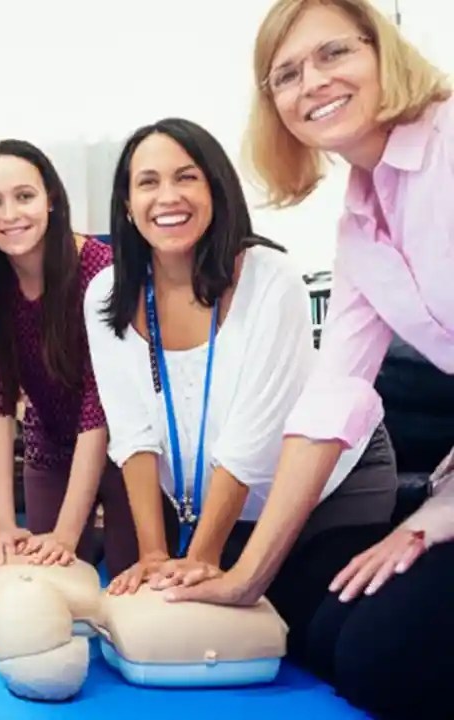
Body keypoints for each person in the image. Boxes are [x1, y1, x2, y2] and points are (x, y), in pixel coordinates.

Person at [166, 2, 452, 717]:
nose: (311, 83)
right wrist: (242, 577)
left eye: (332, 54)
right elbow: (331, 400)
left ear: (383, 50)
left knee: (383, 660)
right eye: (285, 74)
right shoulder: (359, 221)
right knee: (315, 627)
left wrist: (438, 519)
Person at [82, 117, 398, 660]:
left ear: (216, 190)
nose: (168, 197)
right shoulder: (106, 294)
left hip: (329, 489)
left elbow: (250, 442)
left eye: (187, 177)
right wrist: (157, 554)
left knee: (310, 638)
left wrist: (201, 558)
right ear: (127, 205)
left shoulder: (269, 279)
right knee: (189, 624)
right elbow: (132, 435)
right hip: (221, 509)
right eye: (148, 182)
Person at [0, 139, 137, 575]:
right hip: (50, 445)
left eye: (24, 196)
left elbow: (97, 407)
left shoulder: (100, 272)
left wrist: (67, 532)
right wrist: (3, 523)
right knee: (50, 577)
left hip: (125, 451)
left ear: (51, 200)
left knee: (127, 580)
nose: (10, 215)